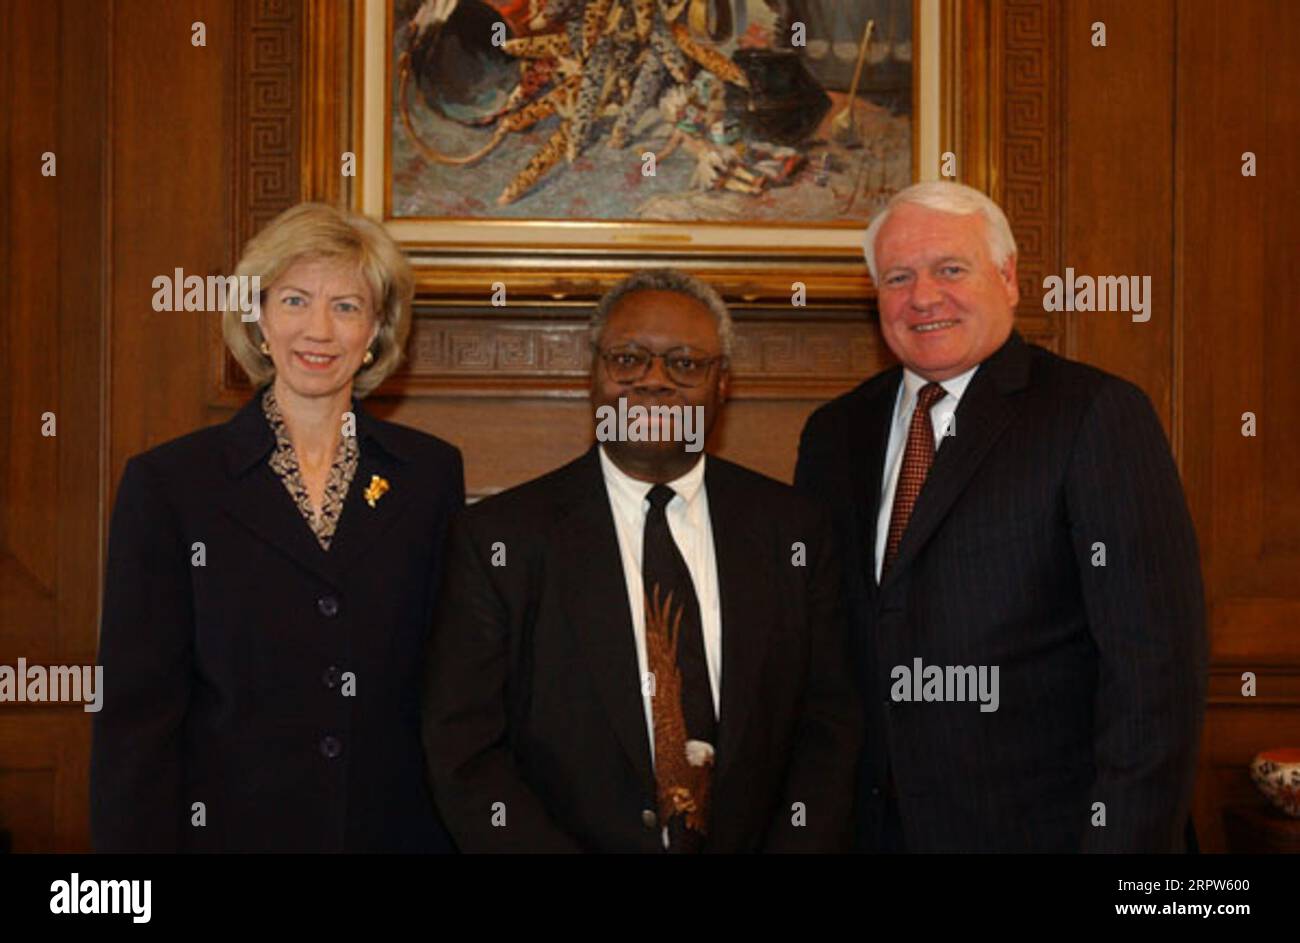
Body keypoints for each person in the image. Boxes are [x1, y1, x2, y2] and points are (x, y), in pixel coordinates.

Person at [795, 181, 1207, 853]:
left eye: (950, 268)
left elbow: (1156, 670)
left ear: (1008, 277)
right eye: (898, 276)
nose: (923, 296)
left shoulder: (1093, 415)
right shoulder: (835, 434)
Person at [423, 269, 861, 852]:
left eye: (685, 363)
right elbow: (466, 751)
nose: (653, 383)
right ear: (593, 376)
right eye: (628, 360)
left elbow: (830, 728)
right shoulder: (501, 540)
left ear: (722, 384)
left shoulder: (794, 532)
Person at [91, 202, 464, 852]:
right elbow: (135, 720)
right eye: (294, 300)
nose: (319, 329)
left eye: (347, 307)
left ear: (376, 331)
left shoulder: (430, 476)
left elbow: (449, 689)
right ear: (257, 317)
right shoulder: (171, 485)